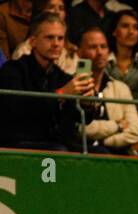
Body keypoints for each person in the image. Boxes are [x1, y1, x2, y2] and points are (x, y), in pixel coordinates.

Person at [0, 11, 85, 149]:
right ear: (33, 41)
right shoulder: (13, 70)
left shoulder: (63, 77)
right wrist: (62, 94)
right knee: (59, 150)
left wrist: (87, 104)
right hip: (18, 141)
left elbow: (80, 119)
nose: (56, 44)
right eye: (50, 38)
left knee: (101, 152)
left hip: (55, 141)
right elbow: (19, 109)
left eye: (60, 38)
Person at [76, 26, 138, 152]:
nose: (100, 52)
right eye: (92, 47)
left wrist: (102, 142)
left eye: (103, 47)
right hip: (82, 153)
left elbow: (136, 131)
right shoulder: (73, 85)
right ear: (80, 52)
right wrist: (117, 125)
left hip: (117, 154)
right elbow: (79, 129)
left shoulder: (121, 88)